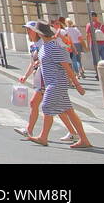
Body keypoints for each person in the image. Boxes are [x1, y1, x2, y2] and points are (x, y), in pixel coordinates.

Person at [24, 21, 92, 149]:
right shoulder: (44, 47)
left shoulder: (53, 47)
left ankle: (43, 137)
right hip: (52, 83)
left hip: (56, 83)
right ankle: (84, 140)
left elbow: (66, 67)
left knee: (46, 106)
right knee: (69, 111)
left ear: (39, 33)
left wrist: (77, 85)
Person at [18, 21, 46, 141]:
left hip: (45, 78)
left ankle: (29, 130)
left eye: (29, 30)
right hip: (39, 78)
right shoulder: (33, 45)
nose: (27, 32)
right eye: (27, 30)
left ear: (36, 32)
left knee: (35, 103)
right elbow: (32, 63)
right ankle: (73, 132)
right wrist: (25, 76)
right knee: (61, 110)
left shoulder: (43, 43)